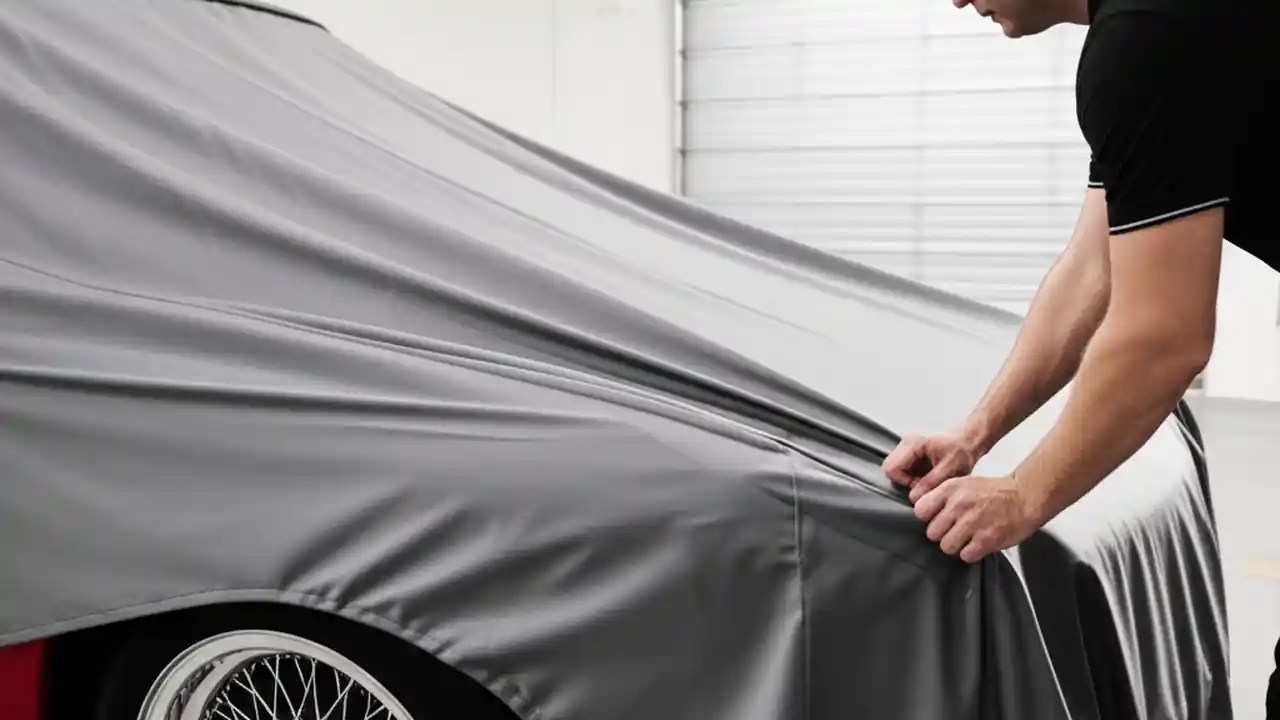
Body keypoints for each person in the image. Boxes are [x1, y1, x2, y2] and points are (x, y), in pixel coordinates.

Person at [881, 0, 1279, 715]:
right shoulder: (1155, 37)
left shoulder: (1148, 38)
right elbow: (1093, 268)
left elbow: (1167, 338)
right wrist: (976, 436)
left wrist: (1026, 495)